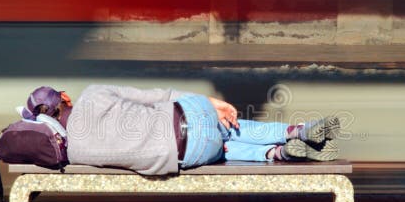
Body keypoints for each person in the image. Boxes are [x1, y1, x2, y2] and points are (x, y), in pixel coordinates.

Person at [22, 85, 339, 176]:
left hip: (191, 153)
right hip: (192, 115)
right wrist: (210, 101)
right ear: (64, 98)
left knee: (217, 146)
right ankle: (297, 131)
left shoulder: (71, 151)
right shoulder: (93, 94)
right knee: (224, 127)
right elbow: (159, 95)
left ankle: (277, 154)